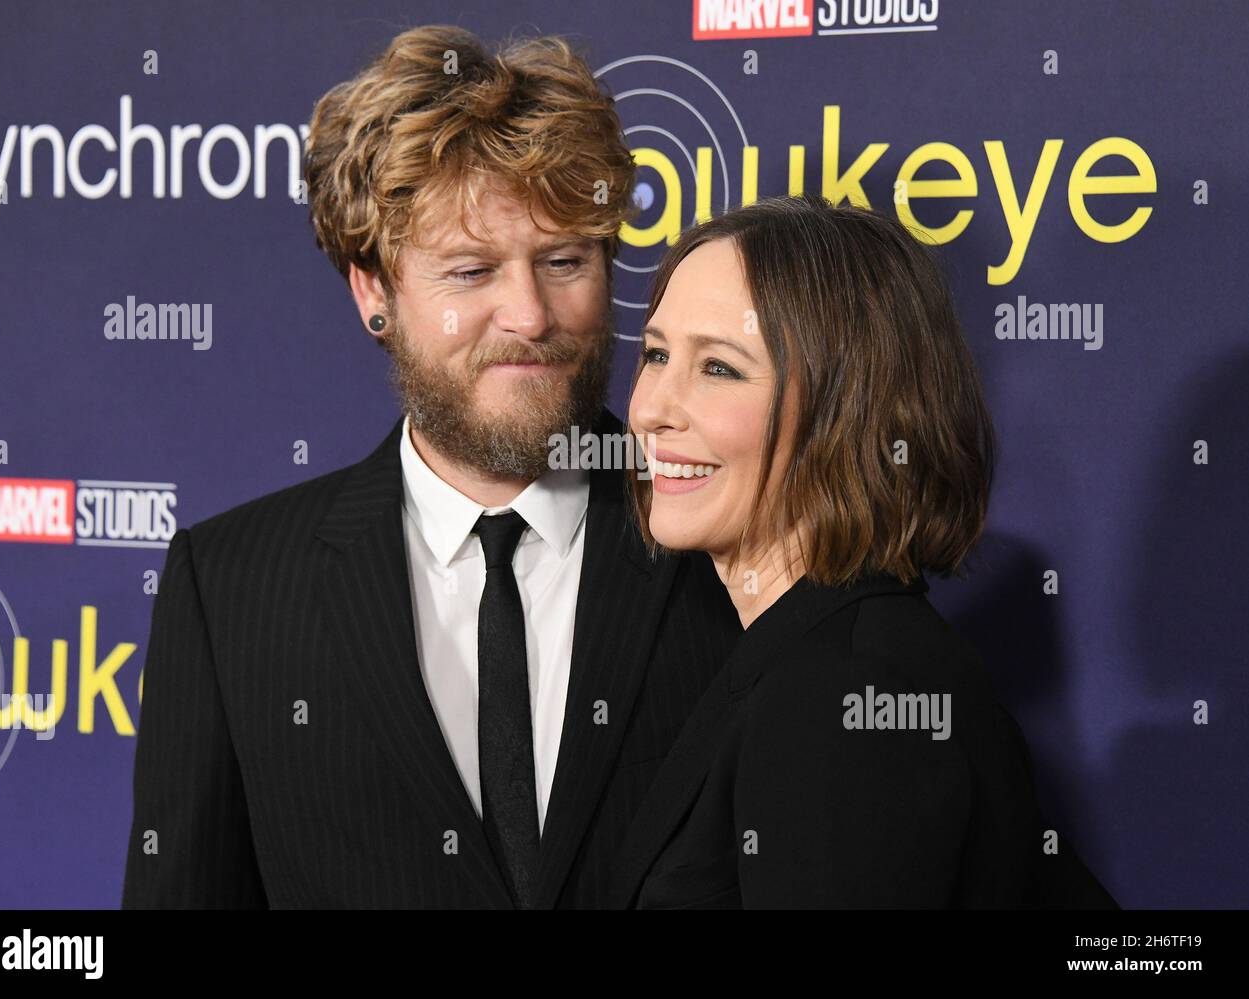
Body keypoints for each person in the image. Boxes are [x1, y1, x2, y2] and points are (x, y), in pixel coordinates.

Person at [120, 24, 741, 909]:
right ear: (374, 290)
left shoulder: (731, 543)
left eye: (564, 260)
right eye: (470, 271)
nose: (528, 314)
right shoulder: (232, 592)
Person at [610, 194, 1118, 908]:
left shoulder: (841, 694)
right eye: (657, 353)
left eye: (718, 368)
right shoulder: (836, 655)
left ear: (844, 412)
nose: (653, 406)